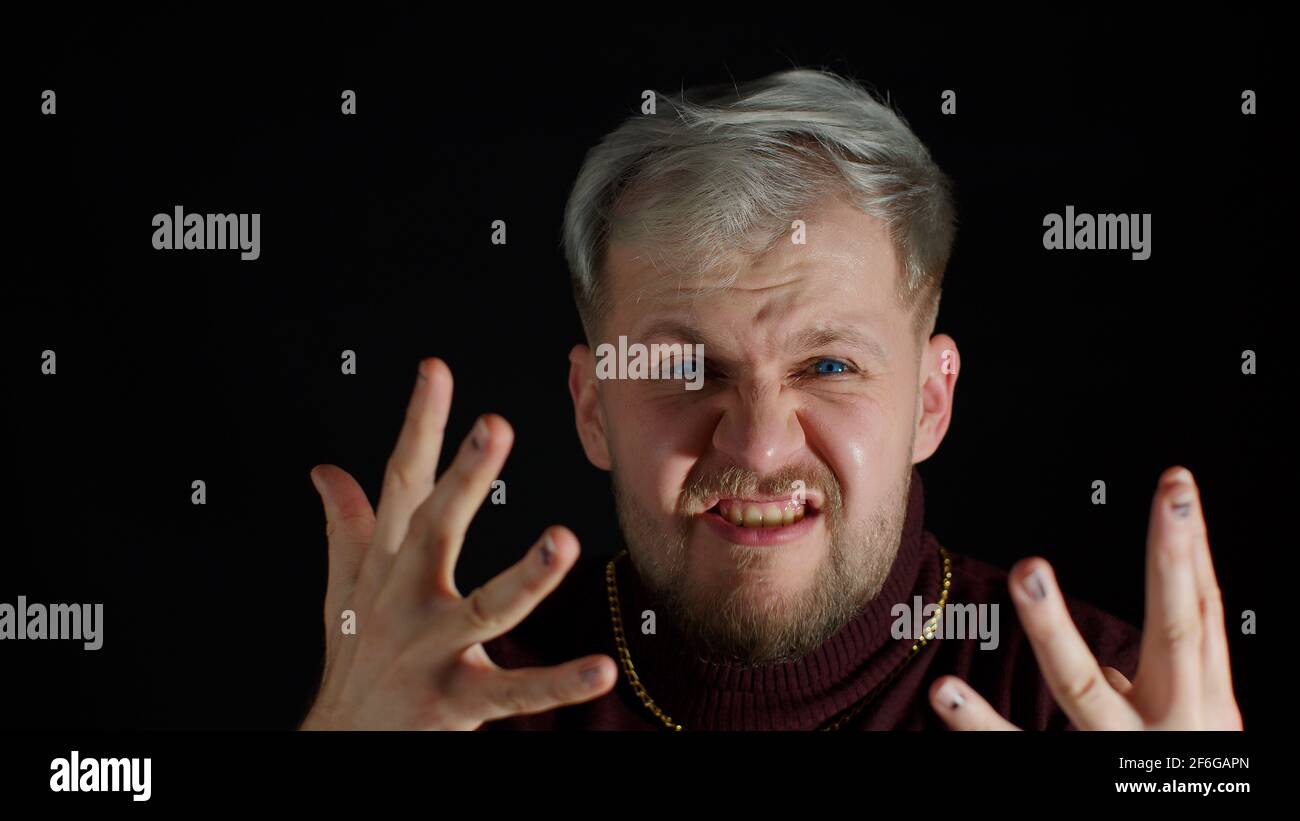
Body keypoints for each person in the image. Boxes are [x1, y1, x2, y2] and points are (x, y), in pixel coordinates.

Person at [299, 68, 1242, 731]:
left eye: (828, 367)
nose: (756, 447)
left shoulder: (1113, 714)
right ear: (591, 408)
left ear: (929, 401)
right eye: (680, 370)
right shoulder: (450, 702)